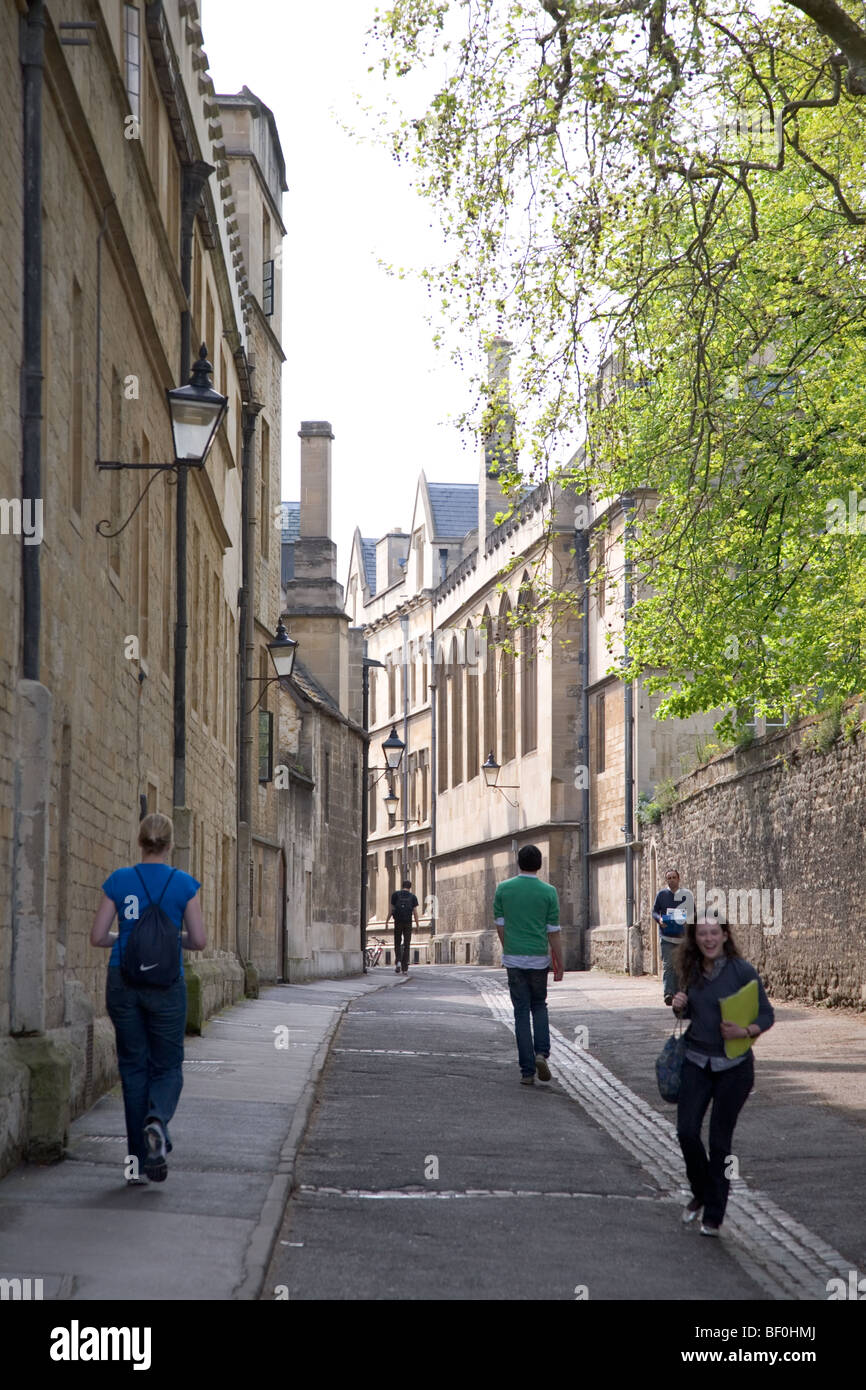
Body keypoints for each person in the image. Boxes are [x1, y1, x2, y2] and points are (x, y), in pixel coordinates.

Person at [90, 813, 205, 1185]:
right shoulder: (183, 884)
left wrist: (121, 940)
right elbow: (199, 940)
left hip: (123, 980)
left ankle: (137, 1166)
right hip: (167, 985)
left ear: (140, 841)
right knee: (168, 1065)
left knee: (133, 1068)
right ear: (170, 844)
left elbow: (97, 936)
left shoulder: (119, 881)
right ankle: (157, 1120)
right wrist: (174, 941)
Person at [671, 916, 774, 1235]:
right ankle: (701, 1191)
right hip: (696, 1061)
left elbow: (767, 1014)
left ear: (725, 936)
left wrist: (744, 1030)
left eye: (714, 933)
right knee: (686, 1131)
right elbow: (689, 1011)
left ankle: (713, 1215)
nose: (709, 939)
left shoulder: (741, 970)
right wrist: (678, 1004)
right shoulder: (690, 969)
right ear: (695, 938)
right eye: (702, 934)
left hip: (734, 1068)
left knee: (719, 1142)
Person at [493, 844, 563, 1085]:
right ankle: (541, 1053)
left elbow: (500, 926)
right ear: (539, 864)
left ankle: (526, 1071)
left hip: (514, 958)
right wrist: (559, 962)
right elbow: (553, 931)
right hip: (539, 959)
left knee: (521, 1012)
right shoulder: (549, 891)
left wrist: (509, 947)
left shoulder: (503, 889)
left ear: (518, 863)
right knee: (539, 1006)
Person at [652, 866, 691, 1005]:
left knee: (681, 966)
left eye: (674, 877)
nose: (672, 880)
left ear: (679, 879)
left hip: (682, 938)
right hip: (667, 937)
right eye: (669, 878)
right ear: (666, 880)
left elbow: (692, 913)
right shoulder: (661, 895)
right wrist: (659, 919)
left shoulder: (687, 895)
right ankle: (668, 993)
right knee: (668, 966)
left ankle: (681, 993)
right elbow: (655, 911)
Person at [387, 879, 419, 977]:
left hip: (398, 922)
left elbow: (391, 909)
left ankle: (398, 962)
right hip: (408, 923)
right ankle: (405, 968)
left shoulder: (395, 895)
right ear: (410, 887)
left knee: (397, 942)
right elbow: (415, 912)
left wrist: (387, 921)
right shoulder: (413, 897)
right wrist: (417, 925)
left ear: (402, 886)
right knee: (406, 944)